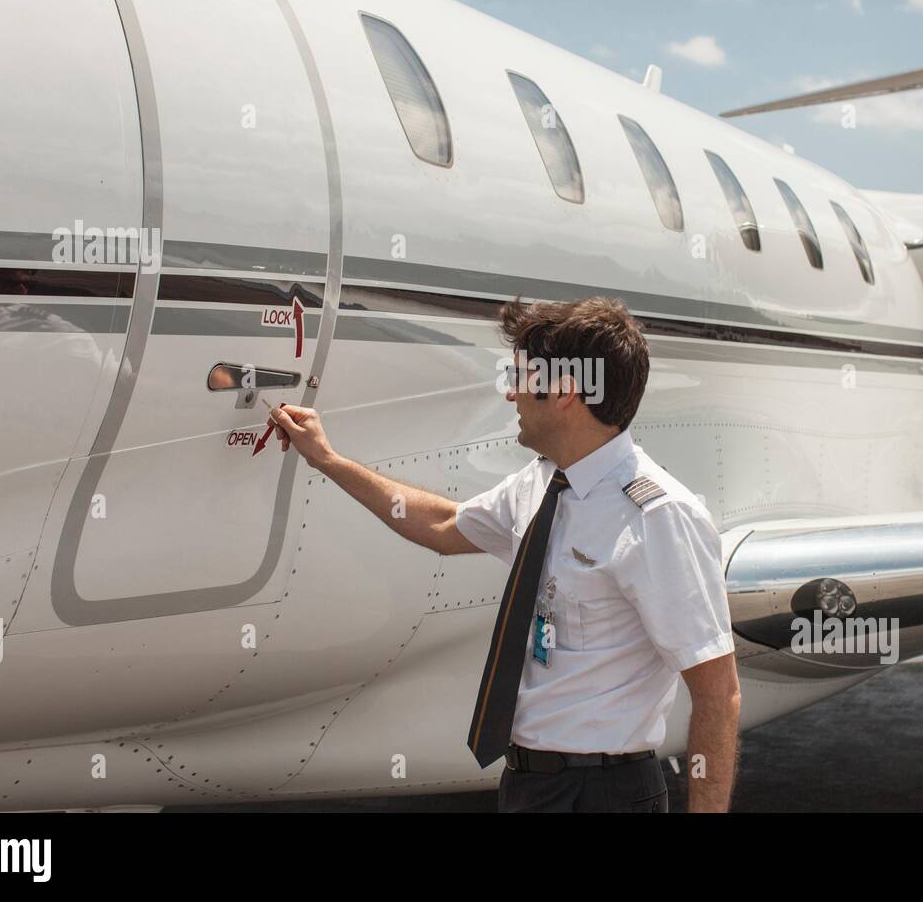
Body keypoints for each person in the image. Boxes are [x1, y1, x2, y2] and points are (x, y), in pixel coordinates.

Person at [268, 296, 740, 812]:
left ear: (563, 390)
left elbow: (717, 692)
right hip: (528, 784)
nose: (512, 393)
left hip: (604, 793)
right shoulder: (539, 483)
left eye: (520, 376)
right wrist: (327, 460)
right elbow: (443, 526)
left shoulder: (657, 516)